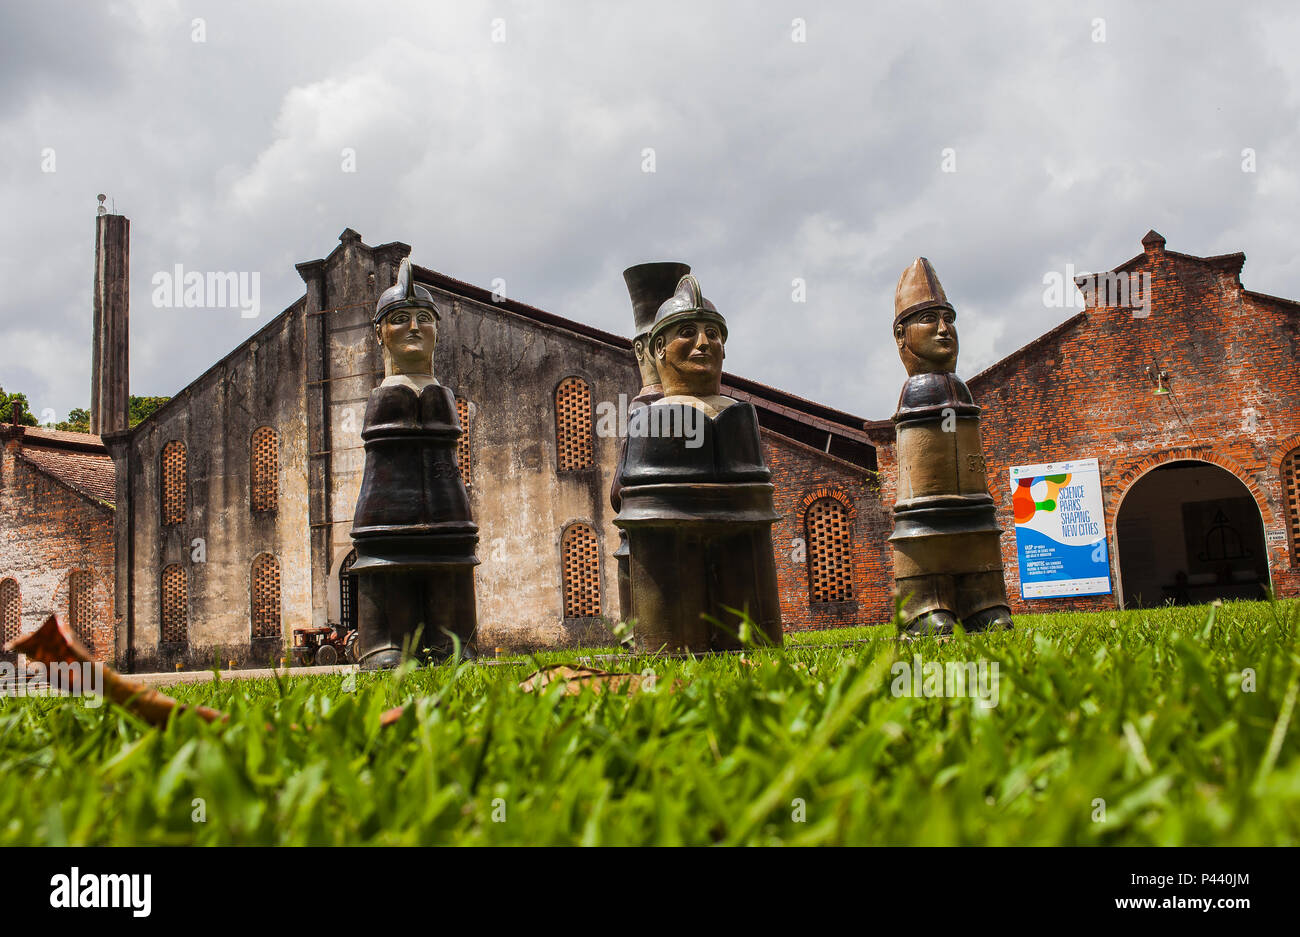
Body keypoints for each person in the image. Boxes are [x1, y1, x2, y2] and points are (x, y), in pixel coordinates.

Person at [349, 258, 479, 668]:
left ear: (438, 331)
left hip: (445, 501)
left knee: (450, 566)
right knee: (389, 569)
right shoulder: (383, 395)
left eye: (424, 318)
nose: (414, 328)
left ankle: (452, 641)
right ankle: (385, 642)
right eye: (400, 318)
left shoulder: (442, 394)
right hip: (386, 506)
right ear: (380, 333)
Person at [888, 258, 1013, 636]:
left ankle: (984, 601)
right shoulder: (916, 391)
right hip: (926, 512)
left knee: (979, 552)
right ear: (901, 334)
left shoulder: (960, 387)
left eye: (949, 318)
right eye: (929, 318)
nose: (944, 329)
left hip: (973, 506)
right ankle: (924, 606)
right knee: (926, 553)